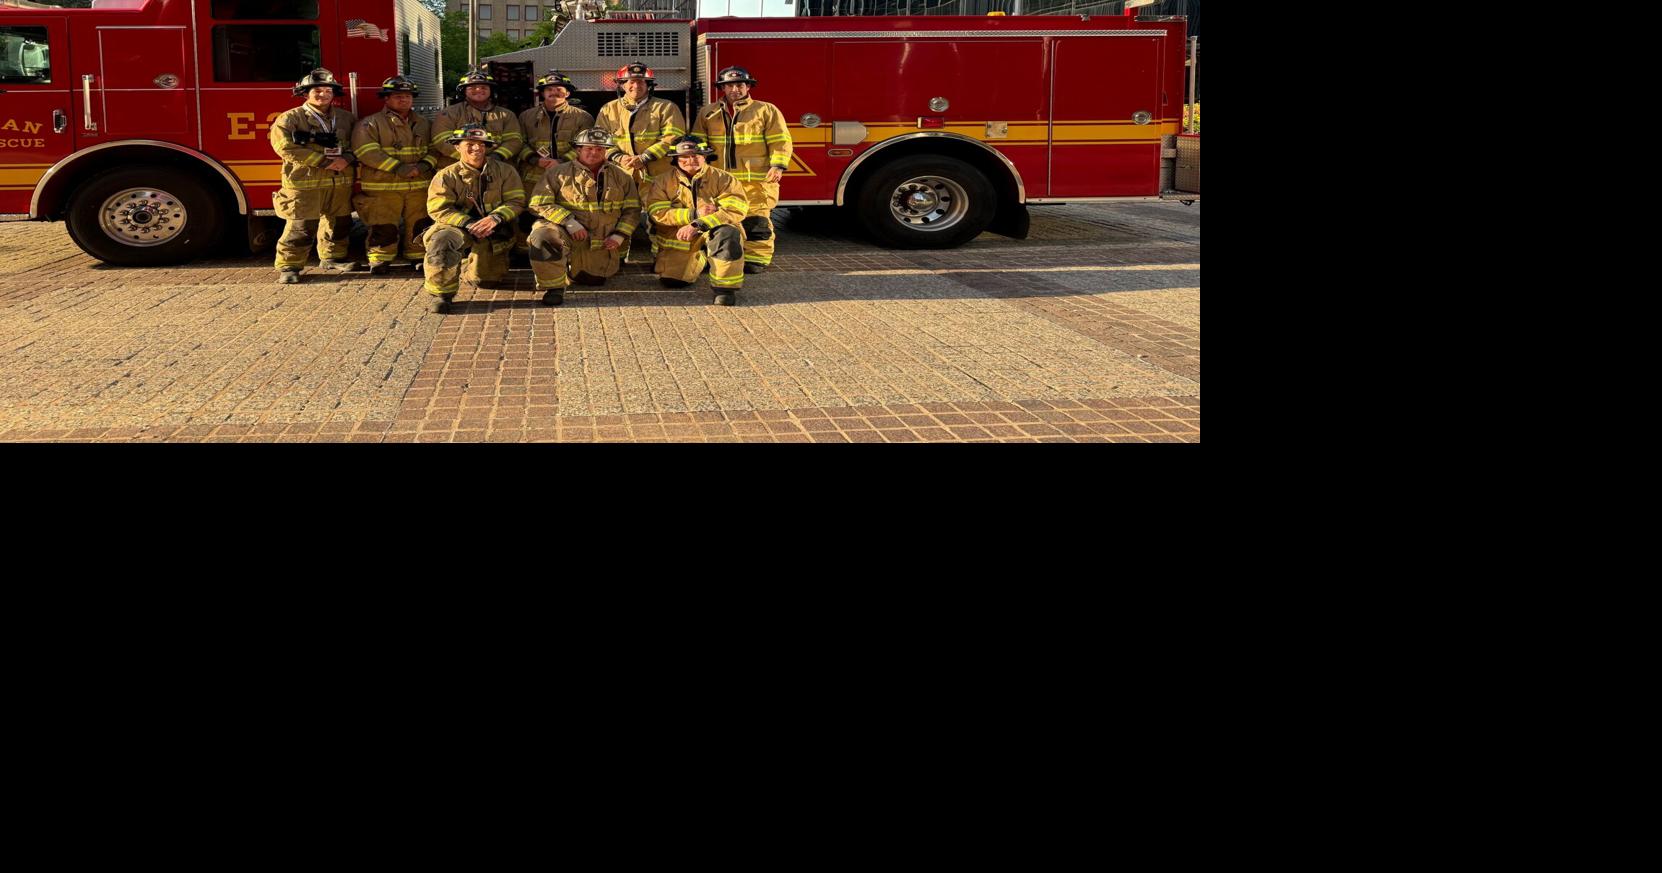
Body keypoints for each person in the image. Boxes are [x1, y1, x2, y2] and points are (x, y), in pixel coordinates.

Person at [690, 66, 792, 274]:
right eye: (729, 85)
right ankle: (718, 256)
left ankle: (756, 259)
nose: (735, 89)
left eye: (739, 84)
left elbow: (780, 140)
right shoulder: (707, 112)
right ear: (722, 88)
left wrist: (778, 165)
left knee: (756, 221)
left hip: (755, 180)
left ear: (748, 86)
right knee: (716, 218)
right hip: (719, 181)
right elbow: (698, 143)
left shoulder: (766, 110)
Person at [525, 128, 640, 307]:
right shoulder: (557, 173)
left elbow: (632, 210)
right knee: (542, 236)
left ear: (606, 151)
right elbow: (538, 203)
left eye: (599, 149)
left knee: (592, 279)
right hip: (565, 231)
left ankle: (571, 267)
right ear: (578, 150)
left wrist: (619, 235)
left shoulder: (622, 177)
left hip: (599, 240)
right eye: (588, 148)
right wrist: (568, 222)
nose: (594, 152)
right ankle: (554, 288)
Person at [421, 125, 526, 314]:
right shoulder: (446, 176)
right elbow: (438, 208)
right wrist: (468, 223)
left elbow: (516, 201)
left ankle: (466, 265)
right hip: (459, 226)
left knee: (485, 281)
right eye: (470, 144)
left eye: (481, 145)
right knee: (442, 240)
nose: (476, 149)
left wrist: (496, 217)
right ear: (457, 147)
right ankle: (442, 294)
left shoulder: (506, 171)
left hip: (494, 228)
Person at [269, 68, 357, 283]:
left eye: (327, 91)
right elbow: (285, 148)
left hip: (339, 182)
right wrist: (325, 162)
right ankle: (290, 266)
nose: (323, 95)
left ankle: (333, 258)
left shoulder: (346, 118)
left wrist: (347, 158)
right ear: (305, 93)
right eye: (317, 91)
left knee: (339, 223)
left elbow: (360, 143)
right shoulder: (289, 118)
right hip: (304, 183)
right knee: (301, 226)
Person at [596, 62, 685, 260]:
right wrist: (619, 157)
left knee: (660, 216)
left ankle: (663, 258)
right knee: (617, 215)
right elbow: (600, 140)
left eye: (641, 82)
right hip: (621, 173)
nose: (635, 86)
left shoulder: (666, 108)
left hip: (656, 175)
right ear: (621, 85)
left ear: (649, 85)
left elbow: (674, 137)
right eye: (630, 82)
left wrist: (645, 157)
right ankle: (615, 259)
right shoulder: (608, 109)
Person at [644, 138, 748, 306]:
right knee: (673, 282)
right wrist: (694, 214)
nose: (690, 160)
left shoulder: (724, 179)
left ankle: (725, 289)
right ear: (676, 159)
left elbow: (735, 210)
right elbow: (657, 213)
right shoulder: (662, 181)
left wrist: (699, 224)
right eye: (684, 156)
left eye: (696, 155)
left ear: (705, 156)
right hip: (681, 237)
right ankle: (703, 260)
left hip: (712, 229)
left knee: (727, 233)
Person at [350, 75, 434, 275]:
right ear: (386, 99)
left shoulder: (424, 123)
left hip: (418, 185)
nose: (403, 100)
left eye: (407, 96)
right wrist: (398, 168)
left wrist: (423, 166)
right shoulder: (369, 124)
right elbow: (366, 151)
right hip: (383, 187)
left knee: (419, 223)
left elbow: (436, 149)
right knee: (382, 224)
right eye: (397, 96)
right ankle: (380, 259)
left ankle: (417, 256)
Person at [515, 71, 593, 260]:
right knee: (528, 214)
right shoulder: (526, 116)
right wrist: (535, 159)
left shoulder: (583, 118)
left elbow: (586, 146)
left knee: (567, 211)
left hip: (568, 176)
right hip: (532, 176)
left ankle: (564, 251)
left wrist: (561, 161)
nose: (554, 92)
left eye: (559, 89)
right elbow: (519, 143)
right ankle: (528, 253)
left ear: (567, 93)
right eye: (549, 89)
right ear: (542, 93)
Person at [429, 70, 523, 172]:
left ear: (491, 91)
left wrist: (496, 156)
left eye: (484, 87)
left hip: (497, 169)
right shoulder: (448, 113)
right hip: (457, 170)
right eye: (472, 87)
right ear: (463, 91)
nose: (478, 90)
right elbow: (441, 141)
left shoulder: (506, 115)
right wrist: (471, 158)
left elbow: (514, 141)